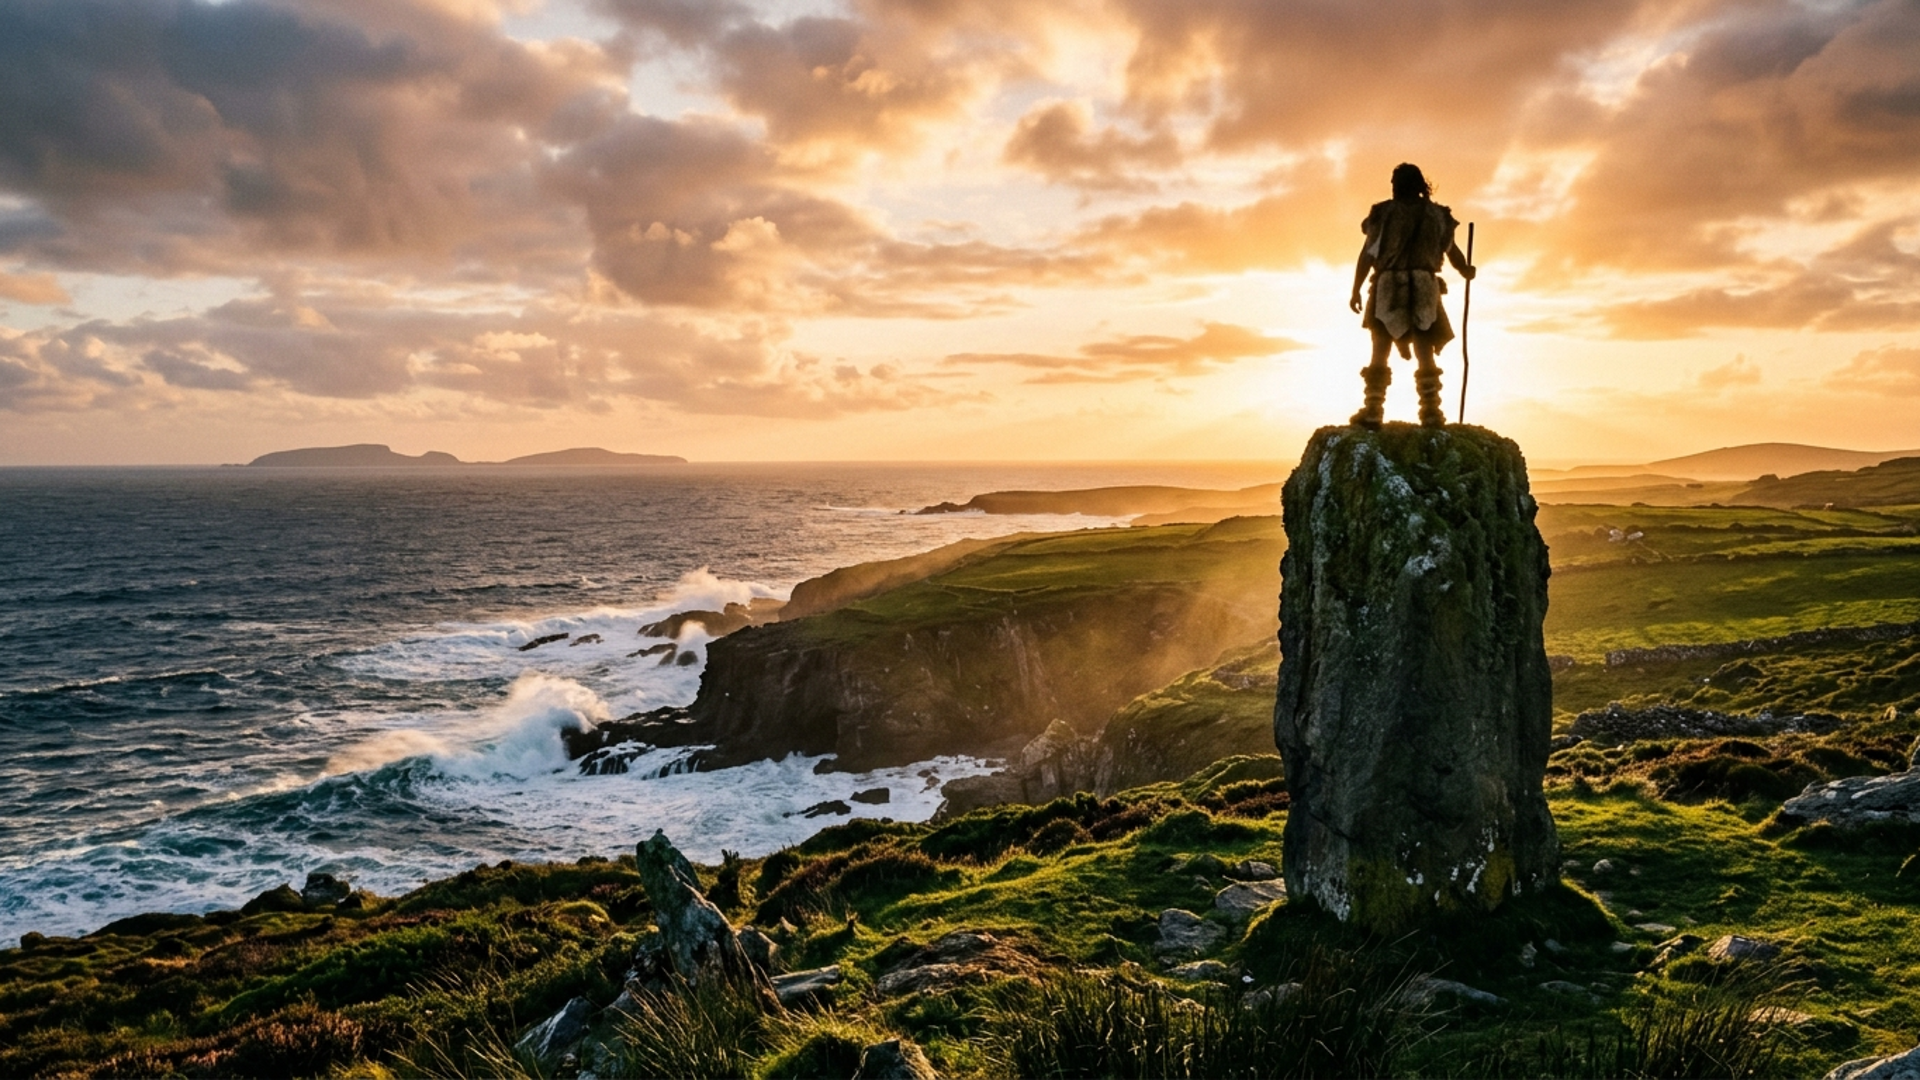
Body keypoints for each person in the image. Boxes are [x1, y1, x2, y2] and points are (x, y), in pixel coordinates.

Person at [1347, 163, 1475, 428]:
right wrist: (1465, 269)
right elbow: (1452, 251)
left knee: (1381, 348)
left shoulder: (1383, 213)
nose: (1393, 187)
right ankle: (1431, 413)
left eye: (1395, 182)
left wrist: (1356, 289)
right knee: (1423, 350)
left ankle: (1374, 412)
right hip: (1423, 287)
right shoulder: (1436, 215)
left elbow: (1368, 254)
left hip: (1389, 288)